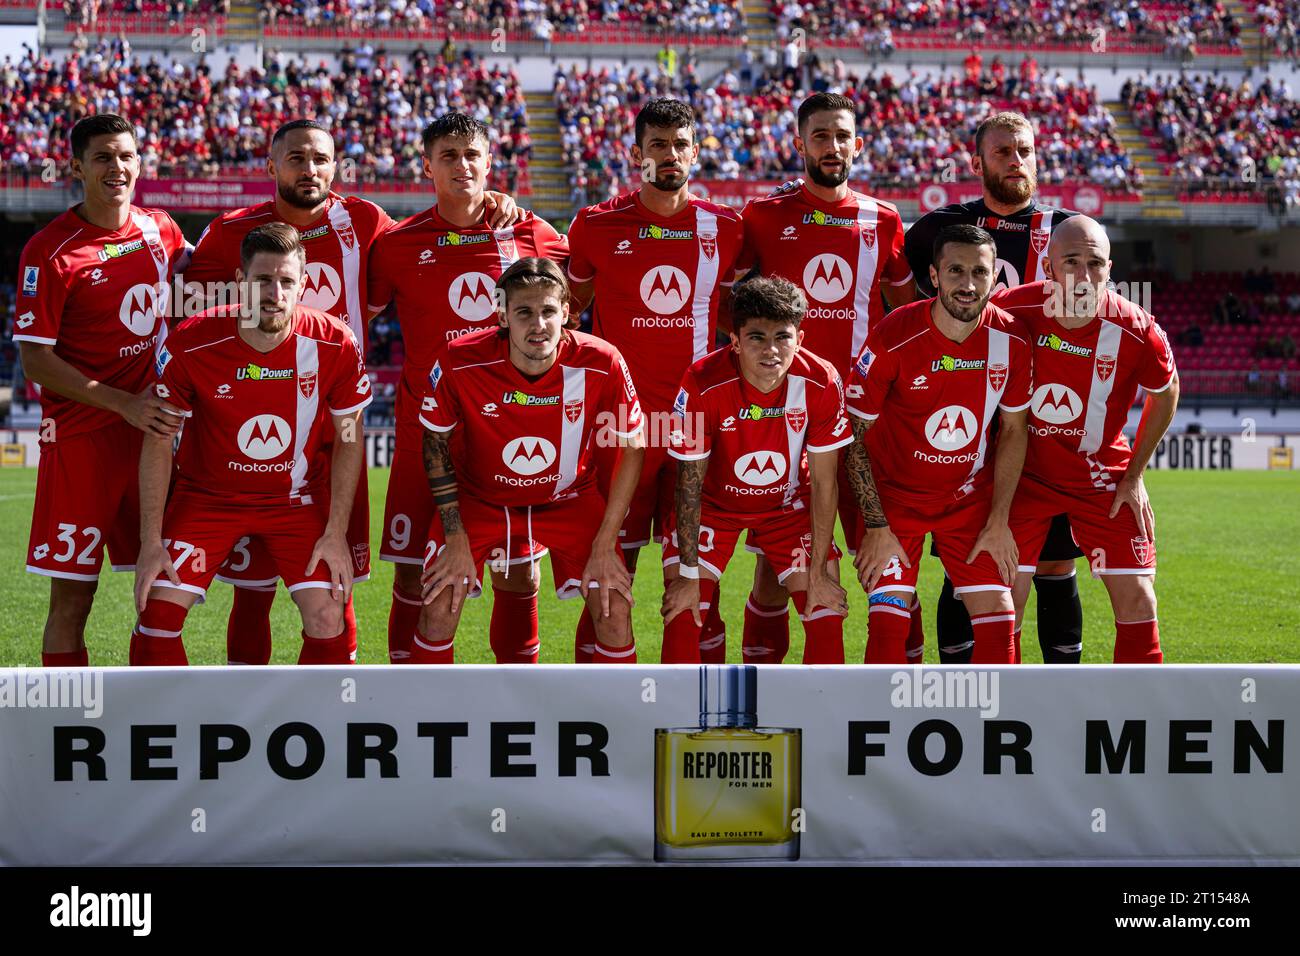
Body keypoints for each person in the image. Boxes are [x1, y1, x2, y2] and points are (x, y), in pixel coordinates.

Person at [184, 117, 522, 665]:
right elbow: (195, 329)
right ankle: (249, 713)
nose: (309, 169)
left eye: (320, 159)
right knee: (253, 589)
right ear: (272, 167)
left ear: (336, 166)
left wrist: (490, 199)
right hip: (246, 429)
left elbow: (434, 237)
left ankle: (339, 704)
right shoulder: (229, 233)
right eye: (296, 158)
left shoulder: (365, 222)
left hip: (335, 426)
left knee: (332, 578)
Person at [367, 112, 568, 663]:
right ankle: (409, 700)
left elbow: (576, 303)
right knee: (413, 577)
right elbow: (352, 316)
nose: (462, 165)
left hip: (504, 435)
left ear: (490, 162)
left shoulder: (530, 233)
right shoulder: (396, 245)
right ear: (426, 165)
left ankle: (516, 692)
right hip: (420, 433)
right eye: (448, 156)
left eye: (472, 154)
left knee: (518, 573)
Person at [133, 223, 372, 665]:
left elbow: (349, 437)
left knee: (328, 614)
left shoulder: (335, 342)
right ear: (241, 282)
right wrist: (151, 541)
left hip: (296, 501)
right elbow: (158, 439)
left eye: (286, 281)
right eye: (263, 280)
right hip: (207, 498)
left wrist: (337, 532)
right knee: (156, 612)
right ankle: (171, 730)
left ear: (304, 284)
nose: (275, 293)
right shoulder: (194, 339)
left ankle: (321, 726)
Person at [735, 91, 916, 662]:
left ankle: (895, 692)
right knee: (774, 564)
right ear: (799, 143)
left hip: (867, 422)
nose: (832, 147)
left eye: (842, 136)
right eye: (820, 136)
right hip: (787, 419)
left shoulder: (884, 220)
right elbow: (734, 315)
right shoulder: (762, 216)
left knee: (890, 561)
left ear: (857, 144)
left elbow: (907, 315)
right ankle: (760, 690)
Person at [566, 97, 744, 663]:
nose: (670, 155)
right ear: (637, 153)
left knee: (694, 586)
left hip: (696, 431)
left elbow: (745, 315)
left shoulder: (729, 228)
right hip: (620, 430)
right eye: (658, 145)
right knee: (606, 584)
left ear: (696, 150)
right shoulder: (594, 225)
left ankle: (694, 715)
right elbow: (570, 309)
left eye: (680, 145)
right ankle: (600, 719)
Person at [903, 111, 1086, 664]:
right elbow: (905, 309)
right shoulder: (937, 231)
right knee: (968, 558)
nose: (1017, 160)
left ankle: (1060, 693)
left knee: (1056, 562)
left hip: (1047, 423)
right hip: (968, 426)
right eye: (1003, 151)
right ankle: (962, 689)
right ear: (977, 162)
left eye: (1025, 150)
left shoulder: (1065, 231)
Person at [14, 113, 188, 667]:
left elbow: (199, 296)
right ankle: (64, 729)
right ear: (78, 167)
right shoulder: (49, 251)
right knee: (72, 596)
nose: (118, 167)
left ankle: (155, 724)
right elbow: (35, 360)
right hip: (82, 441)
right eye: (104, 157)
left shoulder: (161, 228)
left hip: (152, 441)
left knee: (165, 592)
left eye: (127, 156)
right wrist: (124, 404)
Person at [415, 257, 645, 663]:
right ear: (502, 314)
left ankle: (617, 718)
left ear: (567, 313)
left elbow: (634, 445)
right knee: (439, 602)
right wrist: (454, 537)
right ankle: (429, 717)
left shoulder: (602, 361)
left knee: (614, 606)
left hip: (570, 499)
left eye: (548, 311)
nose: (538, 324)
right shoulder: (459, 359)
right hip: (479, 499)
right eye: (524, 312)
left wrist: (607, 541)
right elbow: (435, 443)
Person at [995, 216, 1179, 663]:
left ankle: (1136, 719)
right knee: (1002, 605)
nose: (1082, 275)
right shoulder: (1011, 309)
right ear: (1048, 265)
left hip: (1102, 476)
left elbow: (1167, 391)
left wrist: (1135, 475)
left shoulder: (1138, 328)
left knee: (1140, 598)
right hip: (1024, 476)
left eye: (1094, 263)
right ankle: (1002, 717)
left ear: (1109, 268)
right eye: (1071, 261)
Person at [845, 224, 1031, 664]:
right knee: (889, 624)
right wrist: (875, 525)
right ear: (933, 275)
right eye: (955, 271)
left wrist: (999, 520)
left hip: (967, 500)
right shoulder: (895, 334)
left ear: (994, 278)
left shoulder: (1013, 340)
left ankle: (993, 729)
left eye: (979, 273)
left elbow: (1014, 431)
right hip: (893, 502)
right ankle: (887, 728)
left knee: (1001, 621)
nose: (967, 285)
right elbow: (852, 435)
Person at [660, 276, 852, 663]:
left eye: (782, 336)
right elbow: (689, 484)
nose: (771, 350)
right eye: (757, 338)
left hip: (788, 508)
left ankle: (816, 719)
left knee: (826, 609)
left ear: (800, 337)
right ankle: (683, 716)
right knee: (685, 609)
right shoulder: (701, 381)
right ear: (734, 340)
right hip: (714, 506)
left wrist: (818, 572)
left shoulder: (822, 380)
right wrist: (687, 574)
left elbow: (826, 481)